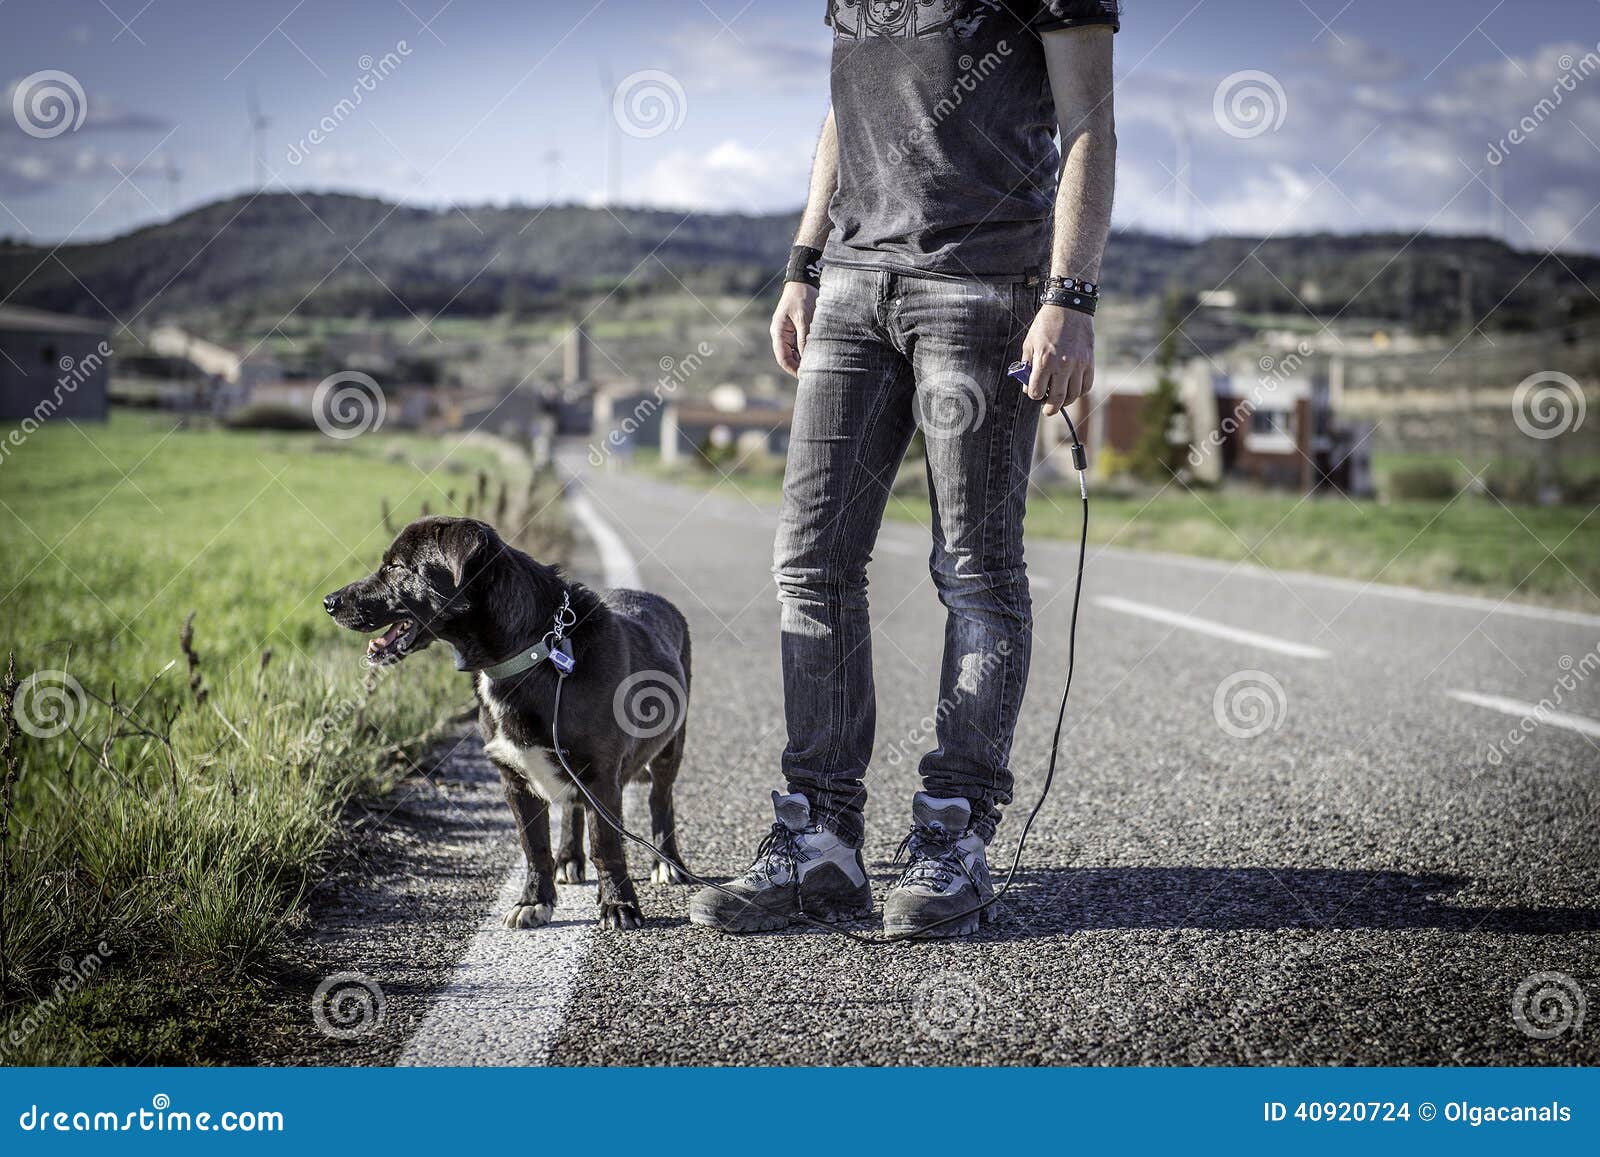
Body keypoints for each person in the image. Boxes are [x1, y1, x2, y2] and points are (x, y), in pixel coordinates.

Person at [690, 0, 1119, 938]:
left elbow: (1089, 121)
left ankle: (954, 835)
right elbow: (849, 113)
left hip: (983, 285)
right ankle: (820, 842)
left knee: (973, 569)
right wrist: (803, 260)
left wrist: (1071, 297)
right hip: (849, 285)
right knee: (810, 562)